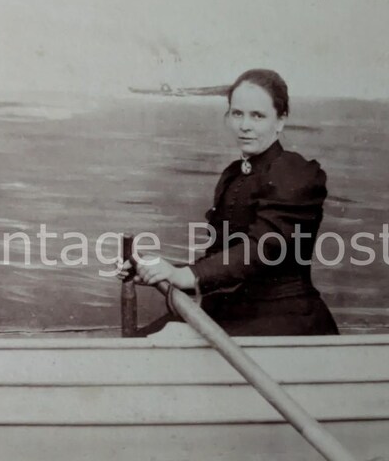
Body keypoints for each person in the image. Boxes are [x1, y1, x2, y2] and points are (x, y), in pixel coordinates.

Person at [121, 68, 338, 336]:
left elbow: (263, 248)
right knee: (142, 341)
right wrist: (160, 272)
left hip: (287, 316)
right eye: (237, 114)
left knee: (161, 342)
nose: (244, 125)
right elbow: (219, 261)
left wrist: (185, 275)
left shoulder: (297, 173)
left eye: (257, 116)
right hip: (237, 310)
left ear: (280, 120)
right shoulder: (233, 175)